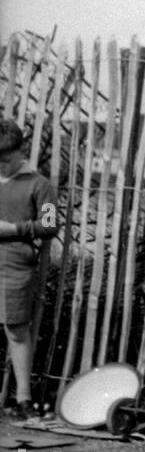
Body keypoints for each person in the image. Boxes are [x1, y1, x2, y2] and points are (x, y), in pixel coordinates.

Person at [0, 119, 59, 420]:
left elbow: (49, 224)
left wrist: (13, 229)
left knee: (16, 329)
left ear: (21, 151)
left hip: (14, 265)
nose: (2, 167)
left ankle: (23, 398)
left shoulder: (39, 185)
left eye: (6, 161)